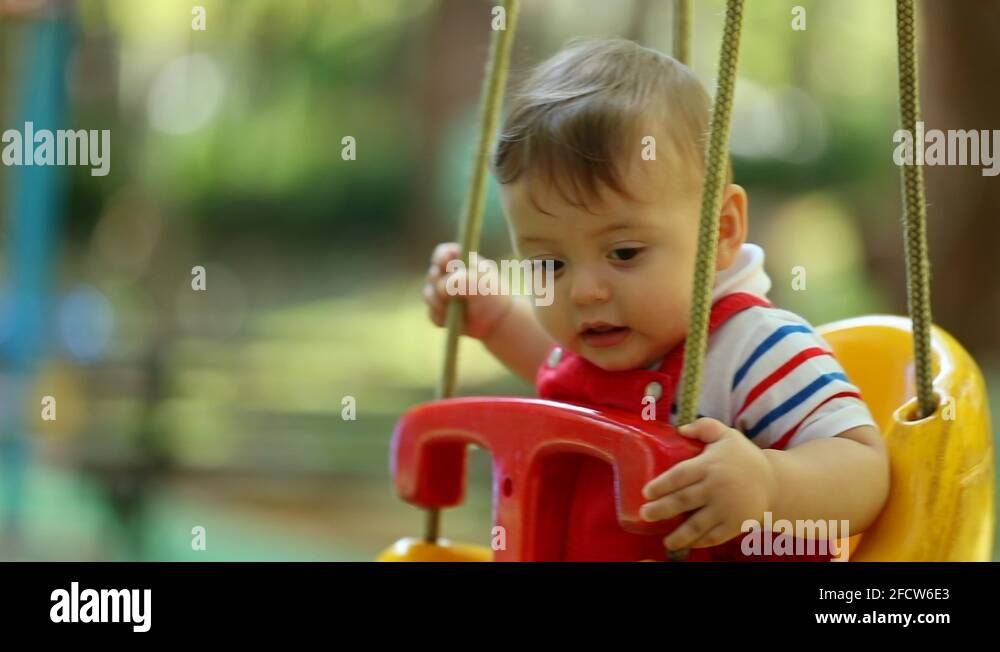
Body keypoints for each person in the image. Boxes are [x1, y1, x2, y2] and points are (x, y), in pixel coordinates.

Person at [423, 38, 889, 561]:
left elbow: (865, 468)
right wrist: (493, 316)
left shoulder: (753, 351)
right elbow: (558, 373)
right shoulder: (601, 346)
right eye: (548, 264)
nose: (584, 291)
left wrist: (770, 484)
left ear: (722, 230)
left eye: (623, 252)